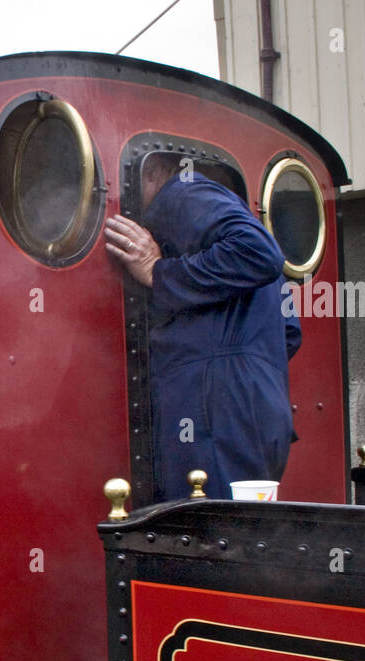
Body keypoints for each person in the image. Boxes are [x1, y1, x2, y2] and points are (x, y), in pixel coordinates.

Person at [104, 154, 298, 502]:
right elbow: (289, 333)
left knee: (207, 536)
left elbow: (259, 254)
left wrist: (158, 272)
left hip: (216, 412)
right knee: (243, 534)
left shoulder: (181, 194)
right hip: (258, 408)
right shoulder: (226, 210)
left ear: (149, 172)